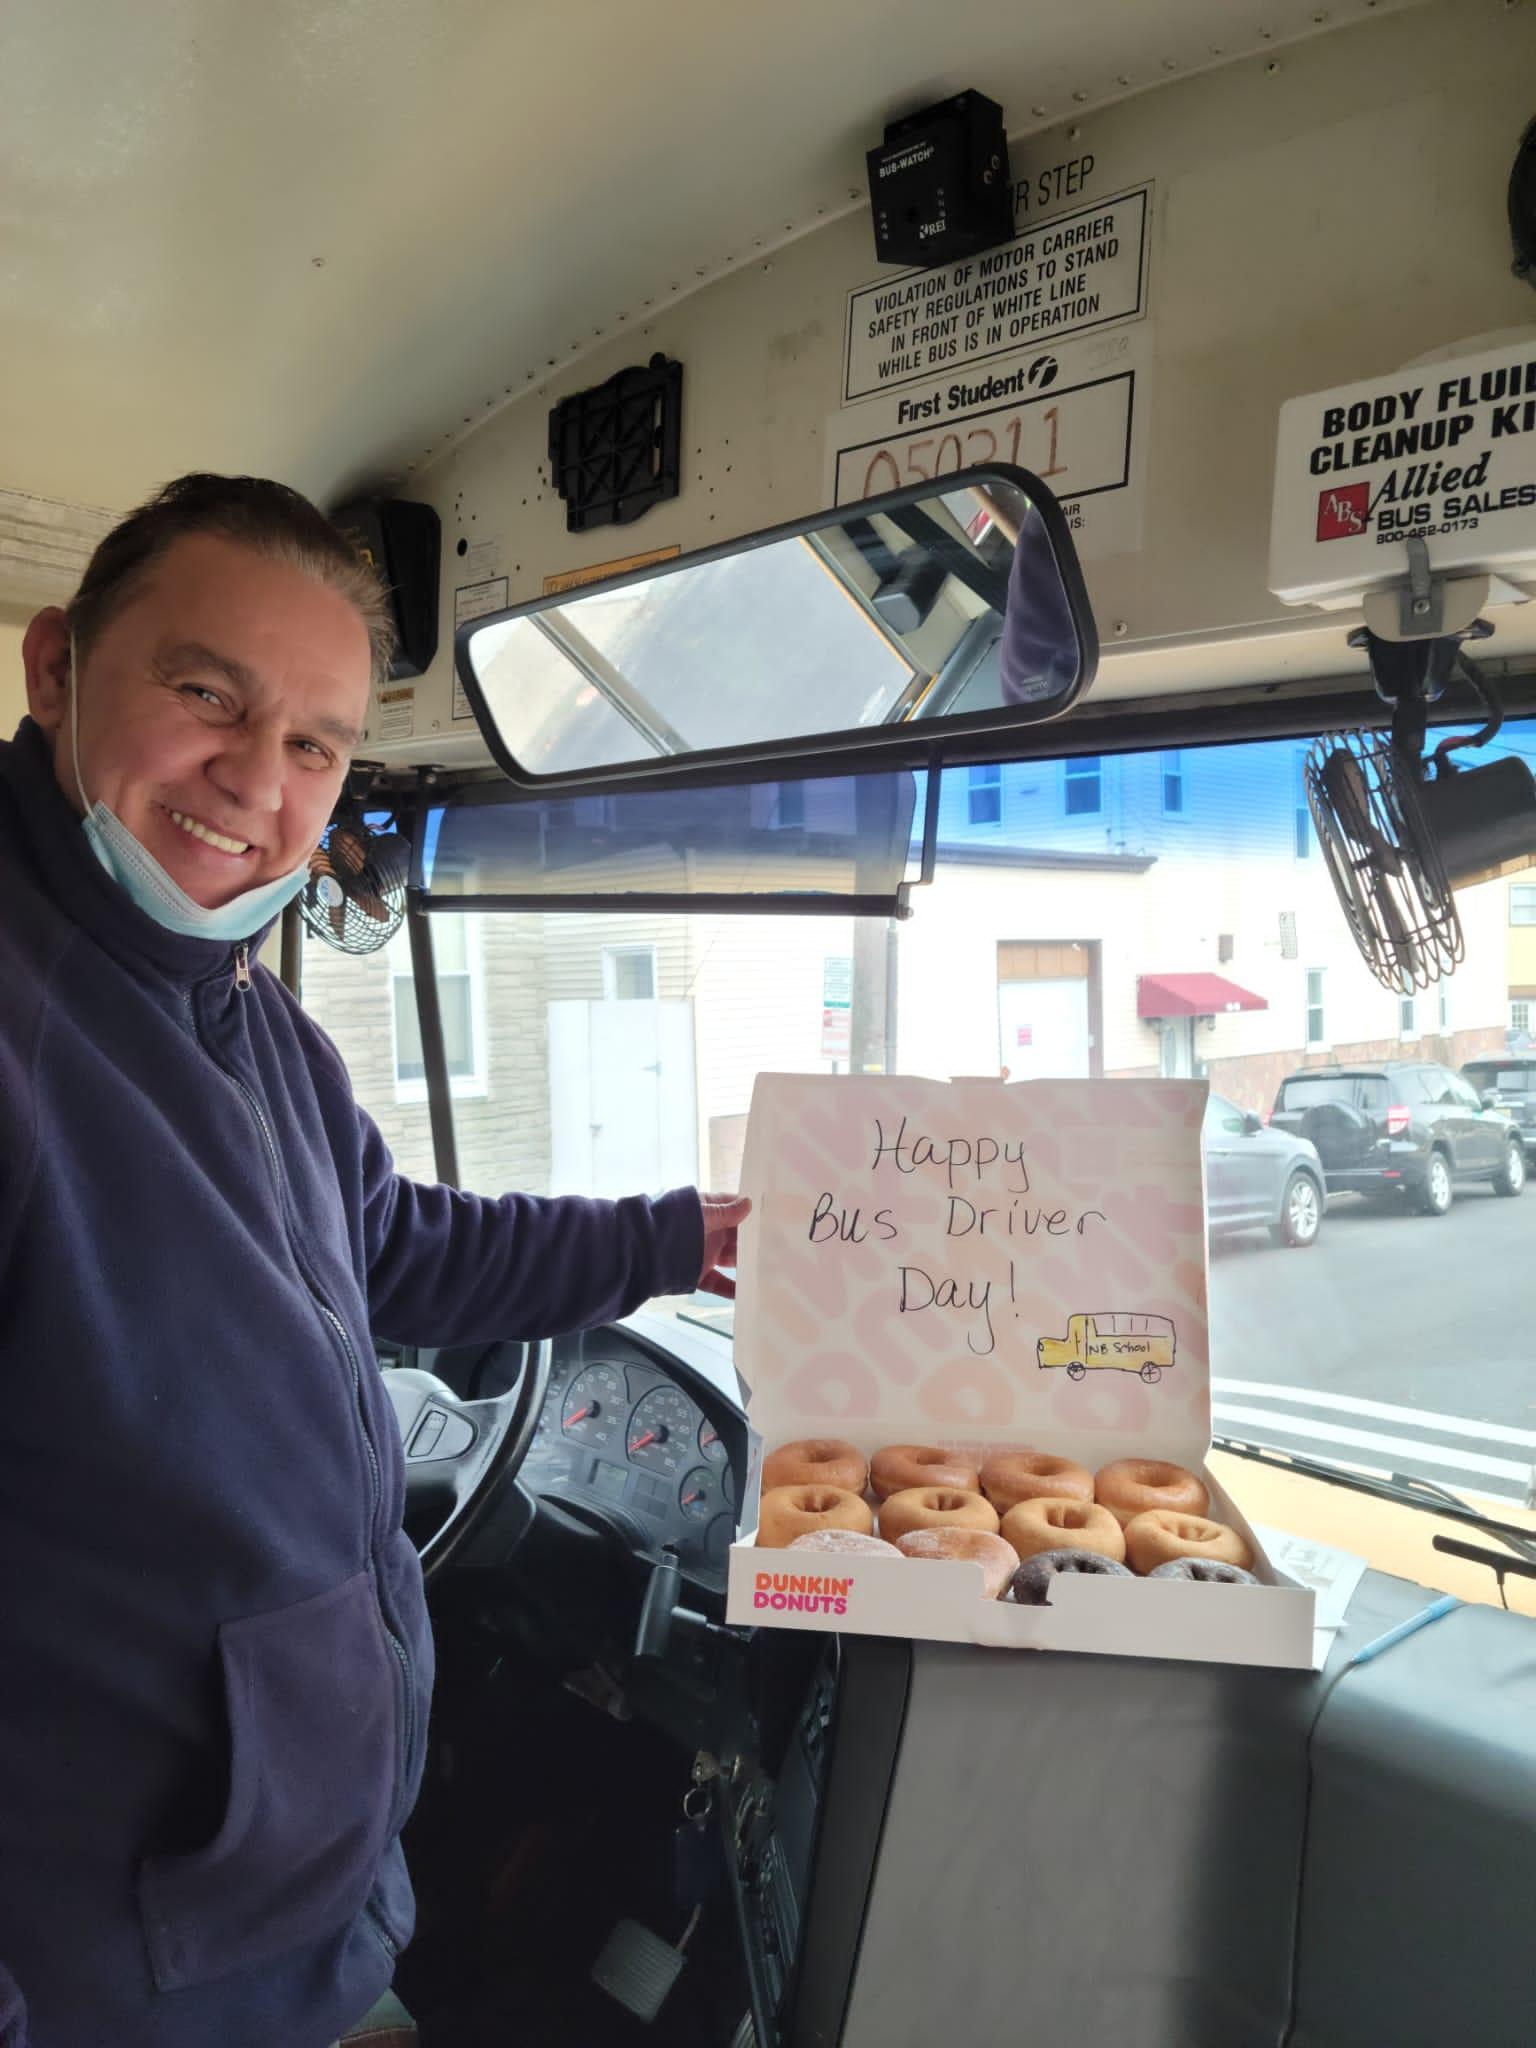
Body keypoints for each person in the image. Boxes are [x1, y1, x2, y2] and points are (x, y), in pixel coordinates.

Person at [0, 475, 749, 2048]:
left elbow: (394, 1248)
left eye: (315, 747)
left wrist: (683, 1238)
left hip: (296, 1921)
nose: (255, 785)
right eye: (206, 694)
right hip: (106, 1981)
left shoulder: (238, 1004)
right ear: (59, 670)